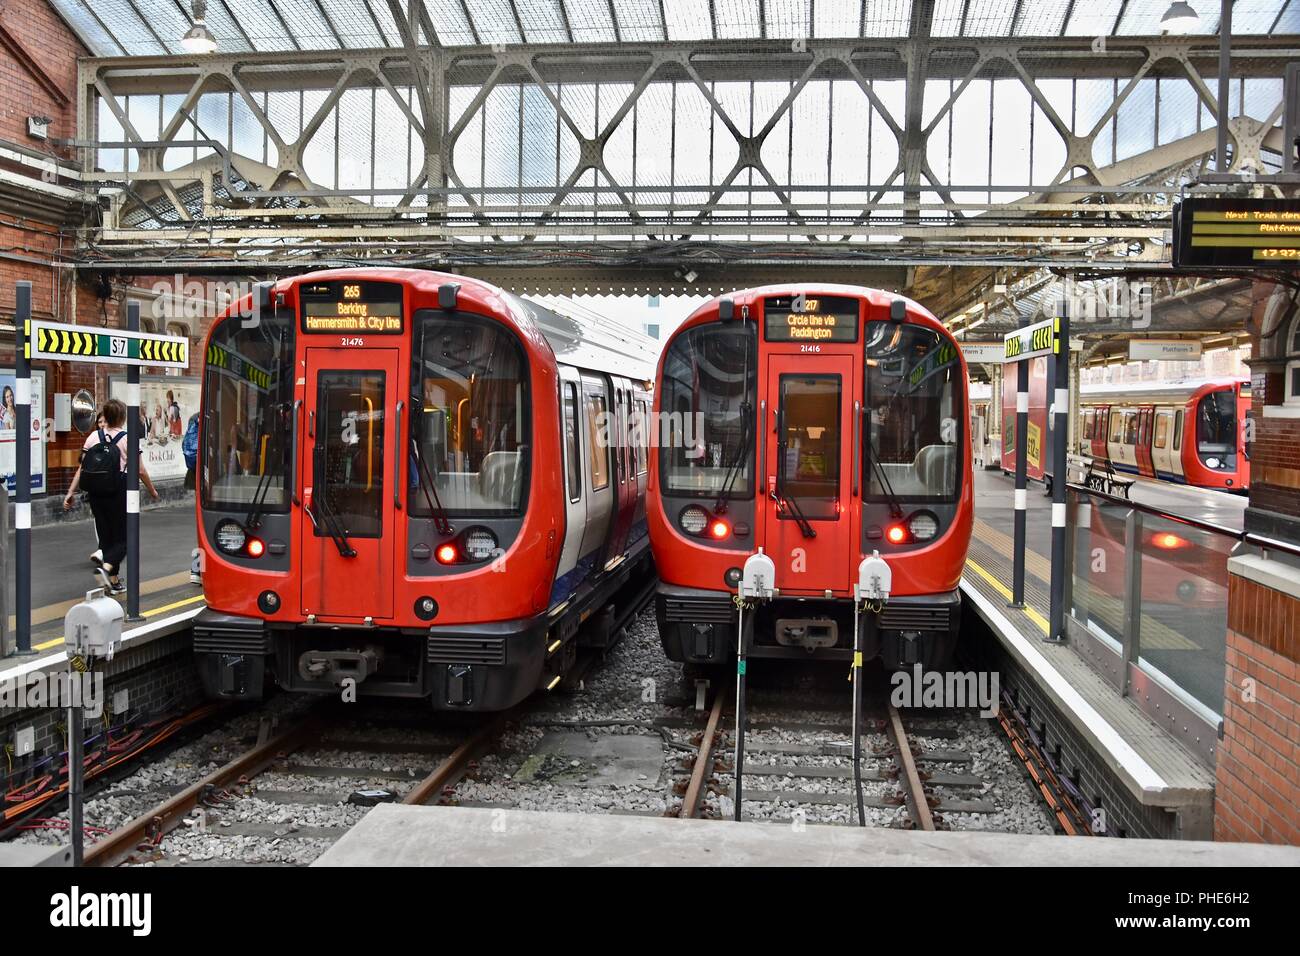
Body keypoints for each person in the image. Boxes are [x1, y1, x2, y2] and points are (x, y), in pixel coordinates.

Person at [77, 399, 159, 594]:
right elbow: (140, 470)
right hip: (118, 491)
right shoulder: (126, 438)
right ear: (122, 417)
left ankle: (112, 581)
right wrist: (152, 490)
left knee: (106, 537)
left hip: (96, 493)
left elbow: (82, 464)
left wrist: (72, 492)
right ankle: (105, 568)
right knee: (125, 537)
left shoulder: (93, 437)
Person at [64, 412, 107, 565]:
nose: (102, 424)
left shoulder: (119, 437)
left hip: (112, 488)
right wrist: (71, 491)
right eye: (100, 422)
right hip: (97, 488)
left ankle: (104, 552)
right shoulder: (93, 438)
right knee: (101, 521)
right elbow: (82, 467)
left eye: (105, 421)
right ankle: (104, 551)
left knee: (107, 522)